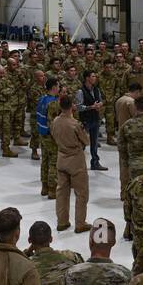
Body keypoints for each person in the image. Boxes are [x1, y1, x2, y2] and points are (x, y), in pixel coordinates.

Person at [51, 94, 91, 232]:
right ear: (72, 106)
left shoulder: (55, 121)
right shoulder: (75, 124)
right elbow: (86, 141)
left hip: (61, 158)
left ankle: (62, 222)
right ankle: (80, 223)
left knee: (62, 192)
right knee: (81, 193)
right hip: (76, 161)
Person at [75, 69, 108, 171]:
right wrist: (91, 107)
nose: (95, 78)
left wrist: (100, 104)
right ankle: (78, 164)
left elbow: (101, 100)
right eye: (93, 76)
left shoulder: (96, 89)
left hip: (95, 118)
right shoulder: (81, 91)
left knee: (94, 143)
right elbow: (79, 107)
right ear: (87, 78)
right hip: (85, 120)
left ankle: (95, 162)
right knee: (82, 143)